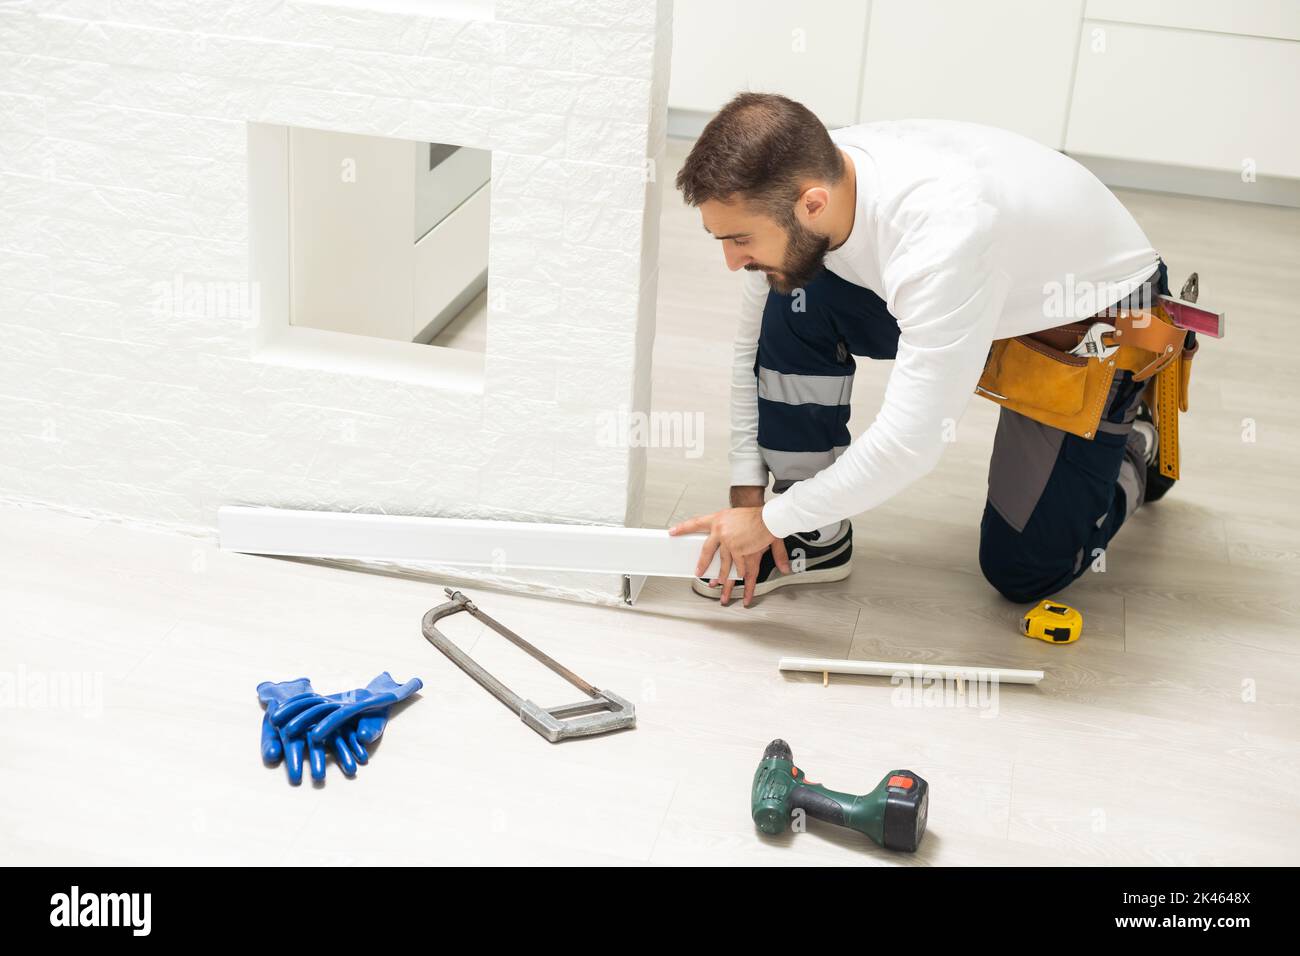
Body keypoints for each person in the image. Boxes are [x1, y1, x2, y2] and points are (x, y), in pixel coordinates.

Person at [668, 92, 1188, 608]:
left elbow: (909, 444)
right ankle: (816, 535)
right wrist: (749, 499)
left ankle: (1137, 443)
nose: (732, 263)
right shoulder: (808, 173)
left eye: (739, 240)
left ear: (812, 204)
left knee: (1025, 571)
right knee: (795, 295)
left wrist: (766, 523)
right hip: (984, 283)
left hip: (1087, 314)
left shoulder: (940, 235)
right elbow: (750, 348)